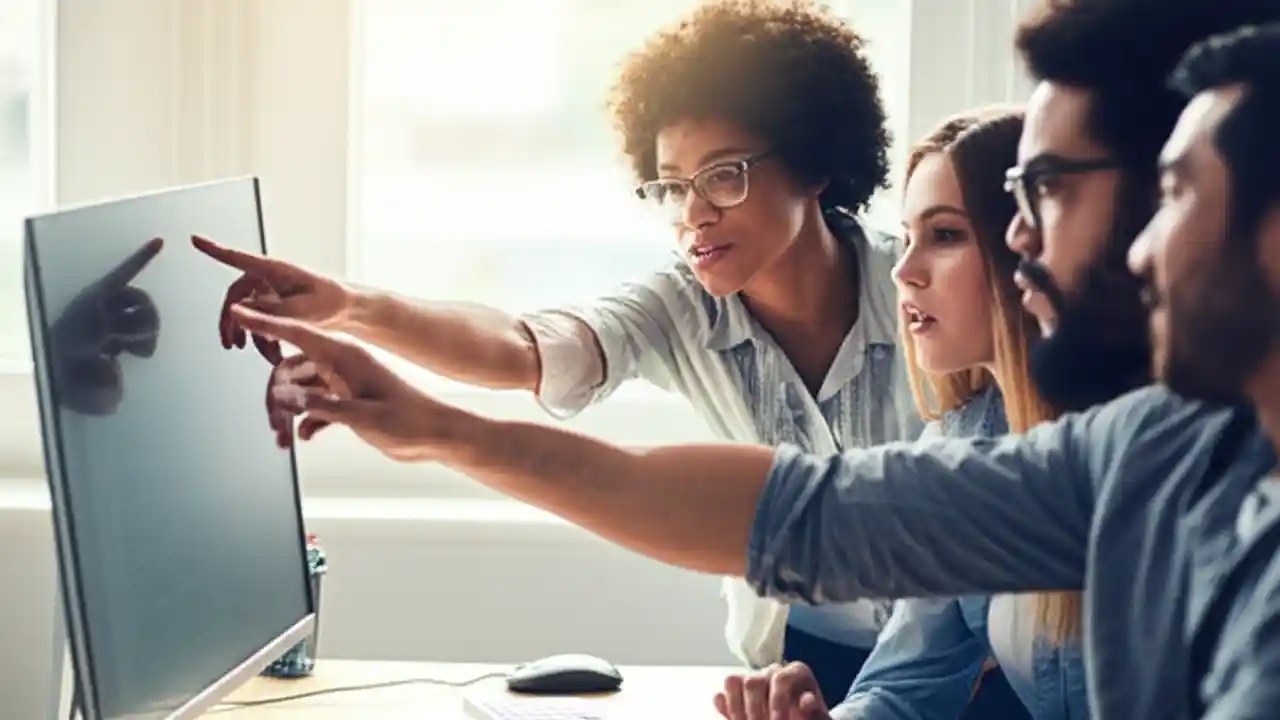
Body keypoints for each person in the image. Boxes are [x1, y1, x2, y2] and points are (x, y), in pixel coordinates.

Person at [209, 6, 1280, 720]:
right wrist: (422, 403)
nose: (1008, 245)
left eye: (1042, 193)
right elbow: (802, 515)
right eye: (670, 187)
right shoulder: (1133, 453)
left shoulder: (999, 382)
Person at [195, 0, 922, 701]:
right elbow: (523, 348)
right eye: (671, 187)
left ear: (815, 162)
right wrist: (351, 307)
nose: (694, 214)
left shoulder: (922, 286)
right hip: (795, 671)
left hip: (962, 661)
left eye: (724, 176)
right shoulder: (681, 305)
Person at [718, 109, 1086, 720]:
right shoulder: (960, 441)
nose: (903, 269)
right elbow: (904, 685)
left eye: (945, 235)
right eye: (907, 236)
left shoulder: (1141, 443)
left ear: (1026, 239)